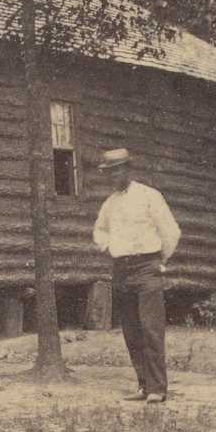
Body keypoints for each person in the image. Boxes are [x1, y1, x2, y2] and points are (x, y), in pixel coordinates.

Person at [92, 148, 181, 404]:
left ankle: (157, 388)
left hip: (147, 268)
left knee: (151, 328)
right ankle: (143, 384)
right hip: (121, 270)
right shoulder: (109, 203)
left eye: (118, 170)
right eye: (109, 172)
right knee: (131, 331)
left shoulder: (149, 196)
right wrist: (108, 247)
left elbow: (171, 231)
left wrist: (158, 259)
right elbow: (99, 230)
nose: (114, 176)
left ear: (128, 170)